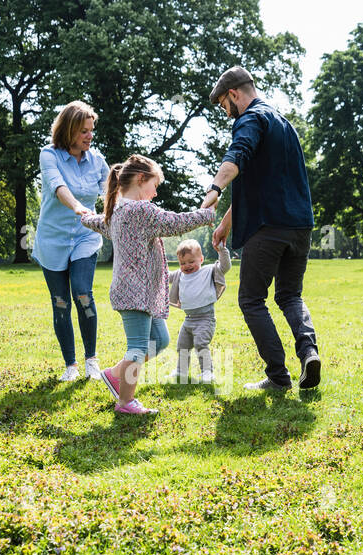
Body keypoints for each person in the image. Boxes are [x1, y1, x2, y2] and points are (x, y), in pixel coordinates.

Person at [201, 66, 321, 392]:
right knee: (289, 295)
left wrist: (213, 190)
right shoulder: (284, 124)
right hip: (299, 227)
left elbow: (235, 155)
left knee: (252, 300)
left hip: (267, 228)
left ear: (234, 94)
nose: (227, 114)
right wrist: (226, 223)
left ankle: (279, 377)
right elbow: (258, 183)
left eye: (225, 106)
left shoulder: (251, 119)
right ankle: (309, 353)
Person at [80, 155, 216, 415]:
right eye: (154, 185)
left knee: (161, 340)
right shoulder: (139, 211)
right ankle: (125, 403)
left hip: (143, 293)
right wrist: (206, 215)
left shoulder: (117, 211)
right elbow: (176, 223)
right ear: (141, 179)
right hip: (134, 293)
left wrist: (84, 217)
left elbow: (97, 222)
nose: (155, 193)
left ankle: (114, 374)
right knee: (138, 348)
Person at [33, 101, 110, 382]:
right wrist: (79, 208)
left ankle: (92, 360)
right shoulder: (49, 155)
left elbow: (111, 190)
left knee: (82, 292)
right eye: (83, 131)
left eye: (91, 131)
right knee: (61, 301)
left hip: (85, 237)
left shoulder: (96, 159)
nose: (89, 136)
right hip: (52, 239)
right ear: (68, 130)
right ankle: (71, 365)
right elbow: (57, 186)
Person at [166, 239, 232, 384]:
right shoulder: (179, 274)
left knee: (201, 344)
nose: (187, 266)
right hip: (188, 319)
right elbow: (165, 277)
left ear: (201, 259)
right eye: (183, 263)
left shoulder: (208, 270)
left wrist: (222, 250)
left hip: (205, 318)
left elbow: (225, 266)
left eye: (191, 261)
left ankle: (207, 372)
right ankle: (181, 371)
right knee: (182, 345)